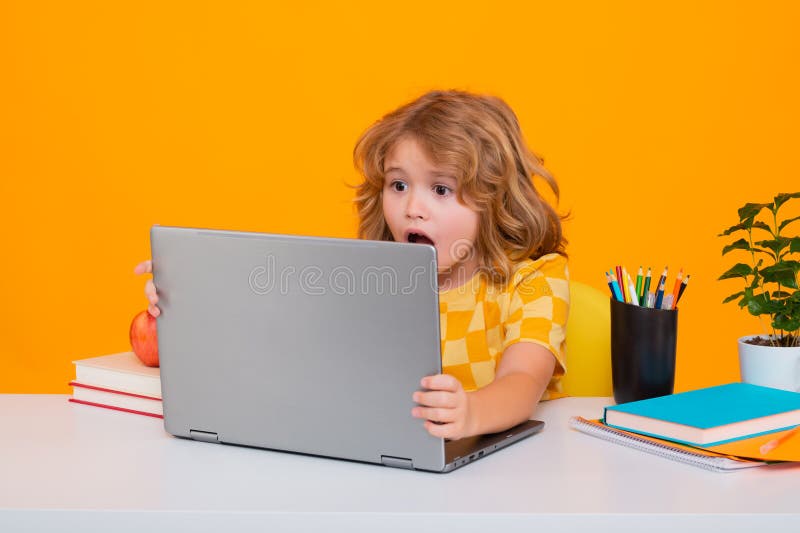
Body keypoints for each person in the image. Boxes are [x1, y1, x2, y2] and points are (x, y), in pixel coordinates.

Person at [134, 89, 569, 442]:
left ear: (495, 199)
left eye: (440, 189)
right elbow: (282, 346)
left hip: (501, 472)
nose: (412, 208)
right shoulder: (365, 279)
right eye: (398, 184)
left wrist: (471, 412)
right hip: (389, 460)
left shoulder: (534, 280)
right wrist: (195, 299)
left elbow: (523, 380)